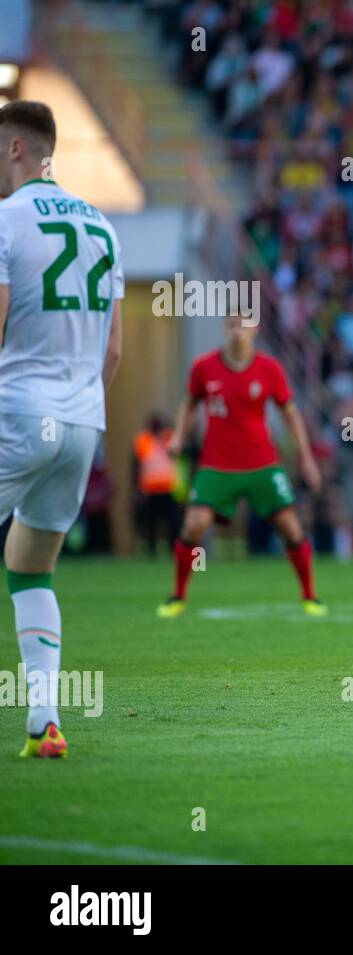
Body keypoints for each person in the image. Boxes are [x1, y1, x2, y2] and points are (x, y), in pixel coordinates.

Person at [0, 101, 125, 758]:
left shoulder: (5, 221)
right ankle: (44, 720)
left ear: (18, 148)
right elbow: (114, 352)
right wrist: (76, 408)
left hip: (18, 409)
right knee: (29, 567)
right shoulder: (103, 226)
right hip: (81, 423)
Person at [157, 314, 326, 617]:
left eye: (244, 326)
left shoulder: (269, 369)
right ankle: (178, 596)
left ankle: (310, 596)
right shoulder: (203, 368)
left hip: (262, 462)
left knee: (290, 527)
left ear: (255, 329)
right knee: (194, 525)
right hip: (217, 463)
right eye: (232, 326)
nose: (237, 332)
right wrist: (179, 438)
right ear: (226, 329)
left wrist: (306, 457)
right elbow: (189, 404)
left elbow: (290, 413)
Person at [133, 413, 180, 555]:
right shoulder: (143, 440)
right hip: (150, 489)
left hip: (168, 488)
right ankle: (151, 551)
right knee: (151, 523)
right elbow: (136, 465)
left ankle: (174, 551)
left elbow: (178, 449)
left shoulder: (168, 437)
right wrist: (136, 488)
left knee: (173, 523)